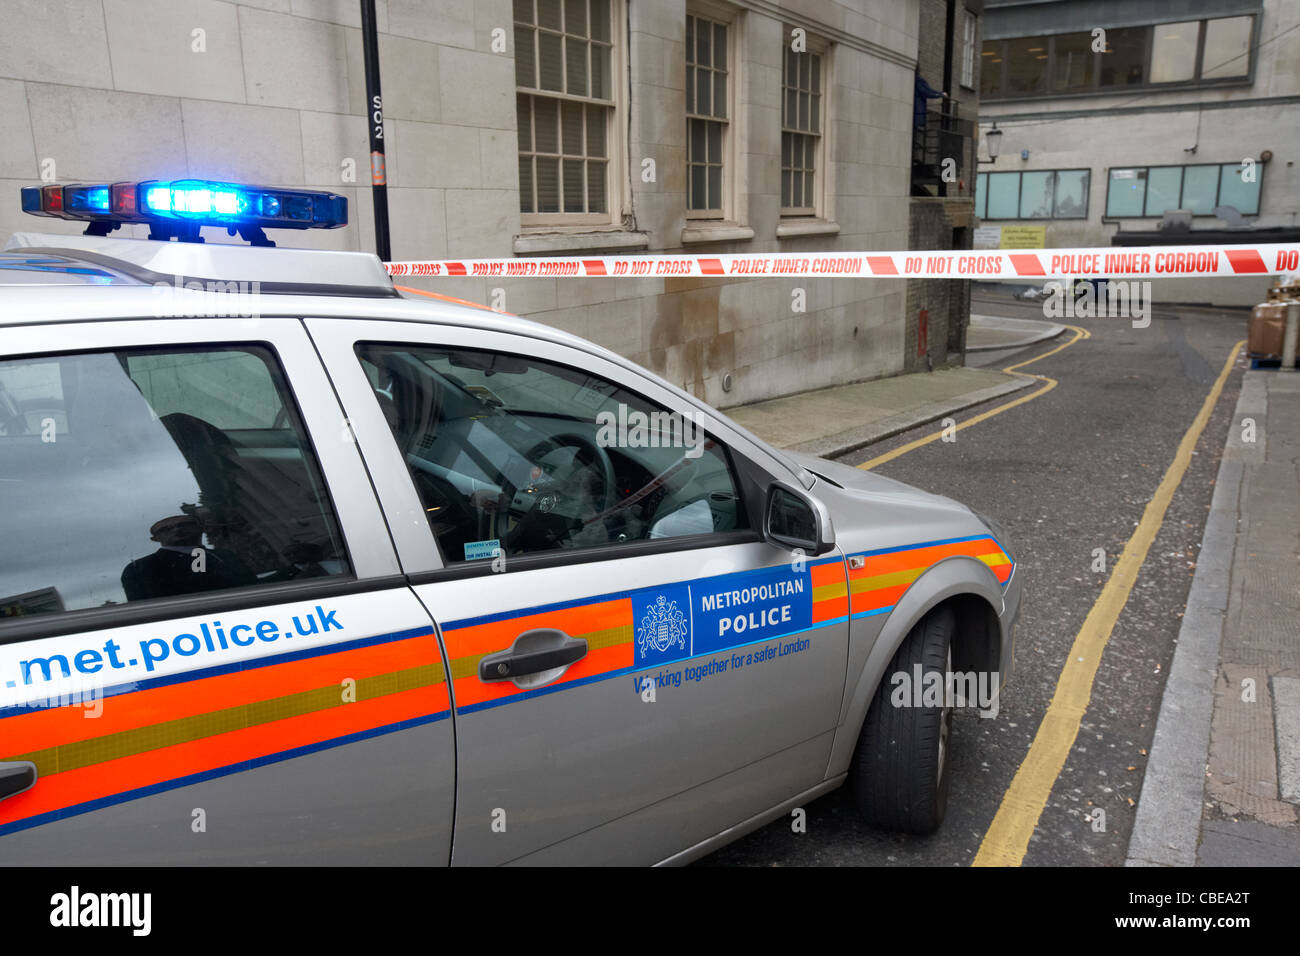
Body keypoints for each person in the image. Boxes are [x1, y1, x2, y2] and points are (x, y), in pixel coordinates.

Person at [121, 514, 257, 601]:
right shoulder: (140, 568)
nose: (177, 530)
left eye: (184, 525)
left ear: (201, 528)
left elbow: (252, 587)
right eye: (165, 529)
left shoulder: (225, 556)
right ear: (155, 538)